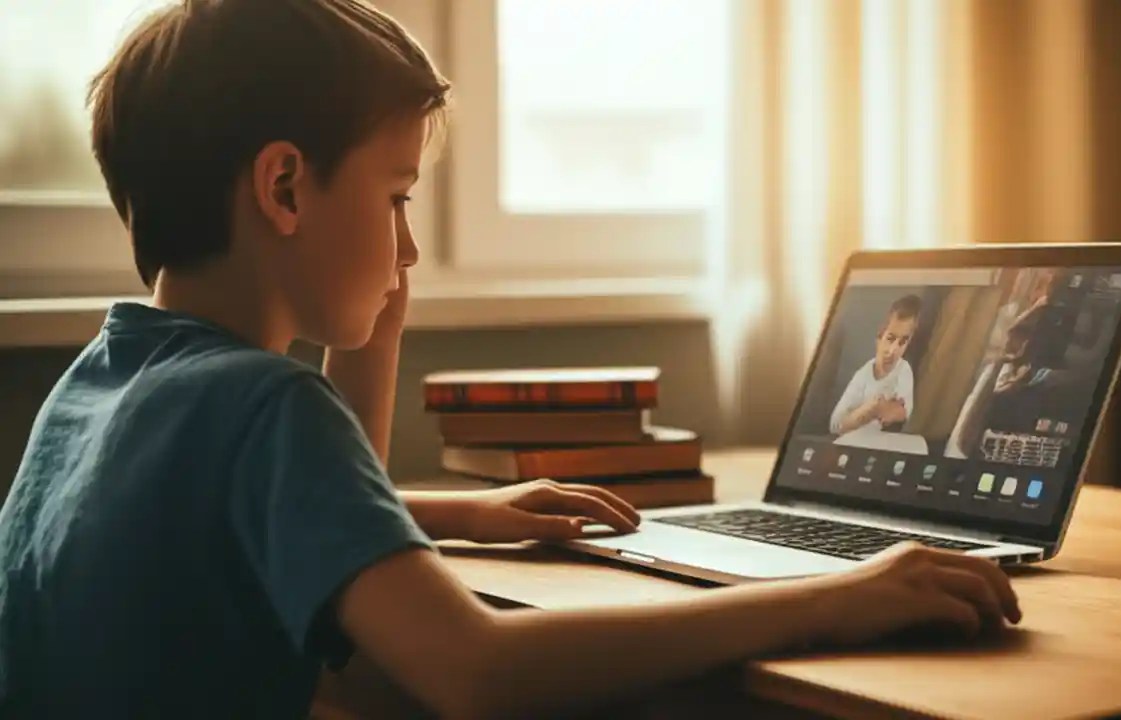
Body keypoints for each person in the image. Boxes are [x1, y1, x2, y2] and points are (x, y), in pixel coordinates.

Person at [0, 2, 1021, 718]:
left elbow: (258, 524)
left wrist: (434, 506)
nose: (406, 246)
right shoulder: (264, 405)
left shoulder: (101, 383)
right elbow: (473, 672)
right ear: (283, 188)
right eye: (397, 196)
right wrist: (834, 597)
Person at [829, 294, 922, 435]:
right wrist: (871, 409)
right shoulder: (862, 375)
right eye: (890, 339)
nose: (893, 351)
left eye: (903, 342)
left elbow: (903, 413)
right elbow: (836, 425)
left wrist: (889, 410)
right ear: (879, 337)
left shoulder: (904, 371)